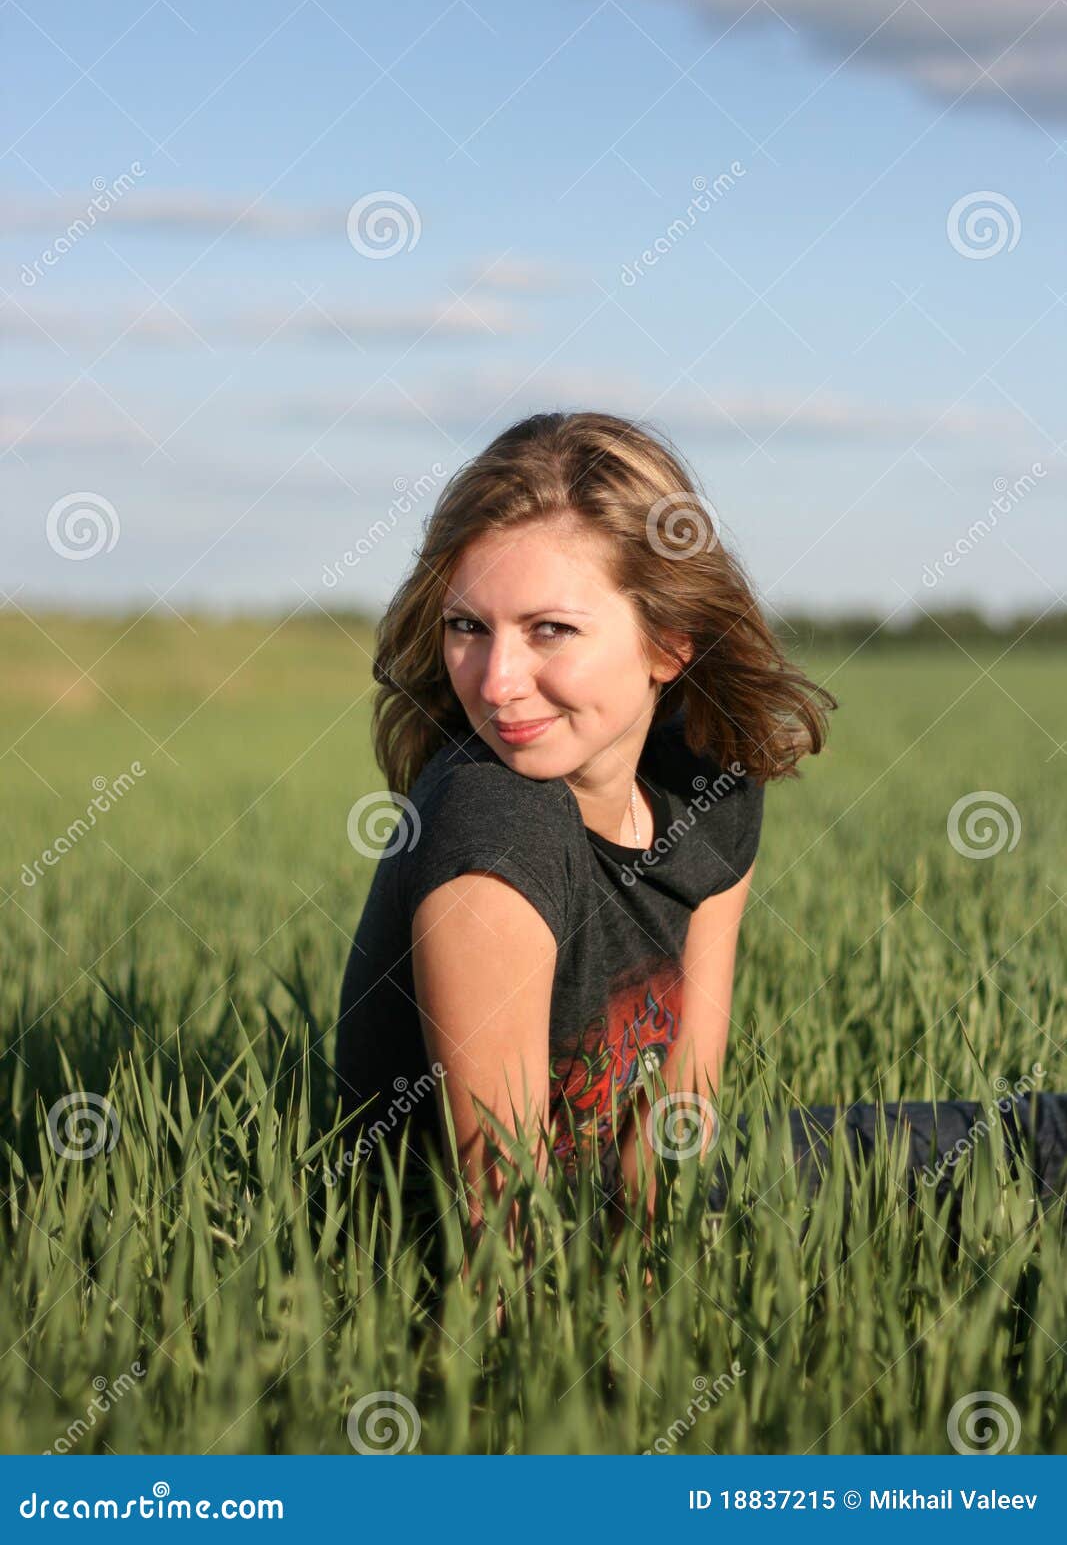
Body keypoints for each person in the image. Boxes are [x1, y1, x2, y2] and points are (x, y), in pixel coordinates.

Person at [330, 410, 1061, 1244]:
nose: (496, 682)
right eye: (469, 626)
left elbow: (679, 1114)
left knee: (1034, 1143)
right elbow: (503, 1229)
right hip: (502, 1243)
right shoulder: (493, 816)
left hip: (632, 1203)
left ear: (667, 645)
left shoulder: (706, 785)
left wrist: (661, 1264)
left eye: (550, 630)